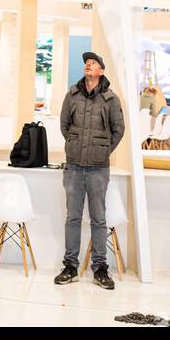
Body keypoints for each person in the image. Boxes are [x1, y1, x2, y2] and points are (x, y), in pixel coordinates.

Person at [55, 51, 125, 290]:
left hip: (98, 169)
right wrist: (74, 146)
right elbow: (64, 125)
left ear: (101, 71)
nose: (88, 64)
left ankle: (100, 269)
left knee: (98, 219)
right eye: (86, 62)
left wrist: (102, 151)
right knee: (72, 218)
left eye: (94, 62)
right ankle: (70, 266)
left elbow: (119, 130)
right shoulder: (72, 95)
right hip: (73, 166)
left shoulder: (110, 99)